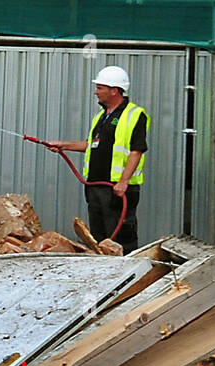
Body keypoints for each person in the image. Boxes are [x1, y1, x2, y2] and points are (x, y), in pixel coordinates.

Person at [45, 65, 148, 253]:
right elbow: (92, 145)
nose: (95, 92)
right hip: (95, 187)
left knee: (121, 238)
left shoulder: (134, 115)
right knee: (98, 237)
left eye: (100, 88)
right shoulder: (101, 116)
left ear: (114, 90)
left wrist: (123, 182)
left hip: (117, 190)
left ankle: (127, 275)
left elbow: (137, 151)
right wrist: (64, 145)